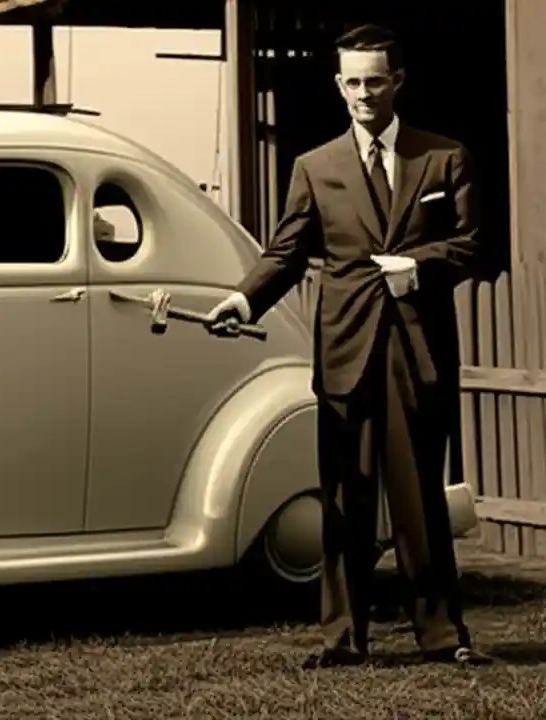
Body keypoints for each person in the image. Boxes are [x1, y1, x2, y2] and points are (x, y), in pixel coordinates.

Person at [204, 23, 494, 668]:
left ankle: (442, 637)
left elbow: (475, 243)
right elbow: (285, 251)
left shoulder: (444, 158)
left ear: (398, 82)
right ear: (339, 86)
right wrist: (244, 299)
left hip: (416, 353)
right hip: (344, 352)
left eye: (375, 80)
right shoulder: (316, 165)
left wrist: (417, 267)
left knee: (419, 498)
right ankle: (343, 639)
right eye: (352, 82)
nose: (364, 93)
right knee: (343, 502)